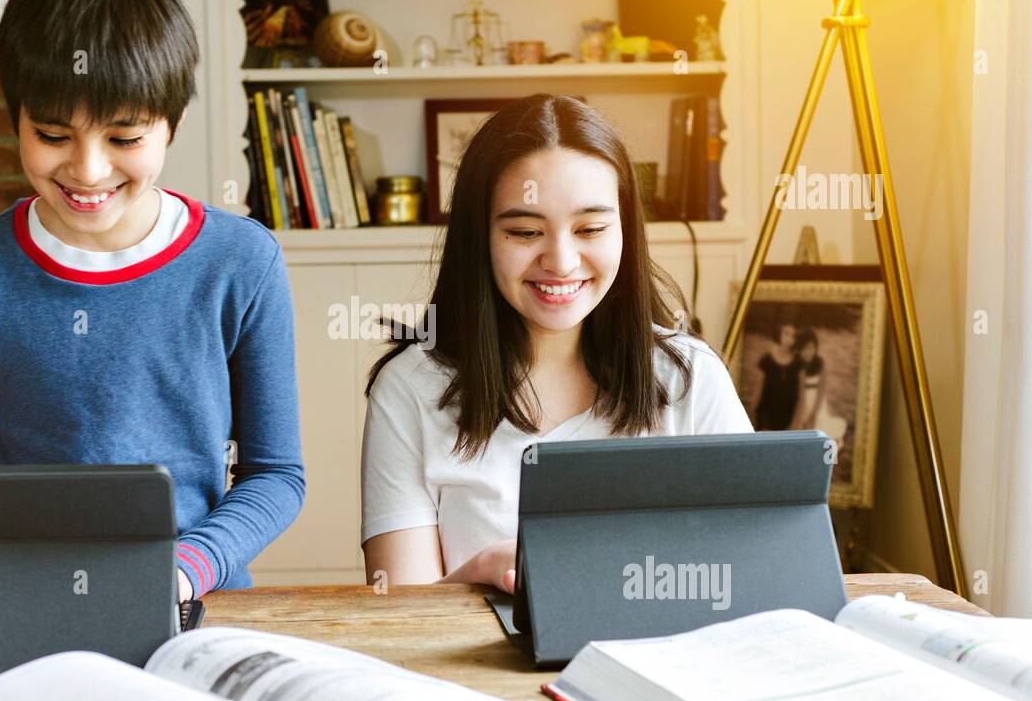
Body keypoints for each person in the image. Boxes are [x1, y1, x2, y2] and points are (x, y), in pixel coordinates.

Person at [0, 0, 304, 602]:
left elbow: (277, 475)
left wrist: (186, 567)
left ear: (171, 122)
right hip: (21, 602)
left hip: (192, 599)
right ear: (16, 119)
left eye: (125, 136)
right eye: (53, 133)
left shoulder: (242, 264)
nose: (88, 171)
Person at [360, 94, 752, 594]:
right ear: (478, 236)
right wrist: (478, 573)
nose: (562, 261)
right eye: (525, 231)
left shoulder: (689, 376)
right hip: (468, 671)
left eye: (590, 228)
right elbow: (397, 617)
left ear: (625, 231)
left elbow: (748, 570)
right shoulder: (410, 388)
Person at [789, 328, 848, 444]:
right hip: (801, 403)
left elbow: (821, 391)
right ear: (799, 350)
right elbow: (799, 395)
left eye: (811, 348)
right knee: (798, 430)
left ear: (816, 348)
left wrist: (813, 414)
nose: (807, 352)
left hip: (816, 403)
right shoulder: (797, 365)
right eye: (803, 349)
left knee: (819, 429)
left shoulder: (820, 364)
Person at [753, 321, 803, 430]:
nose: (789, 338)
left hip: (789, 416)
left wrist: (796, 422)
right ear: (779, 335)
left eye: (793, 335)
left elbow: (801, 396)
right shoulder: (766, 361)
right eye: (786, 334)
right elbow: (758, 391)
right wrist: (752, 413)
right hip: (766, 416)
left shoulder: (798, 363)